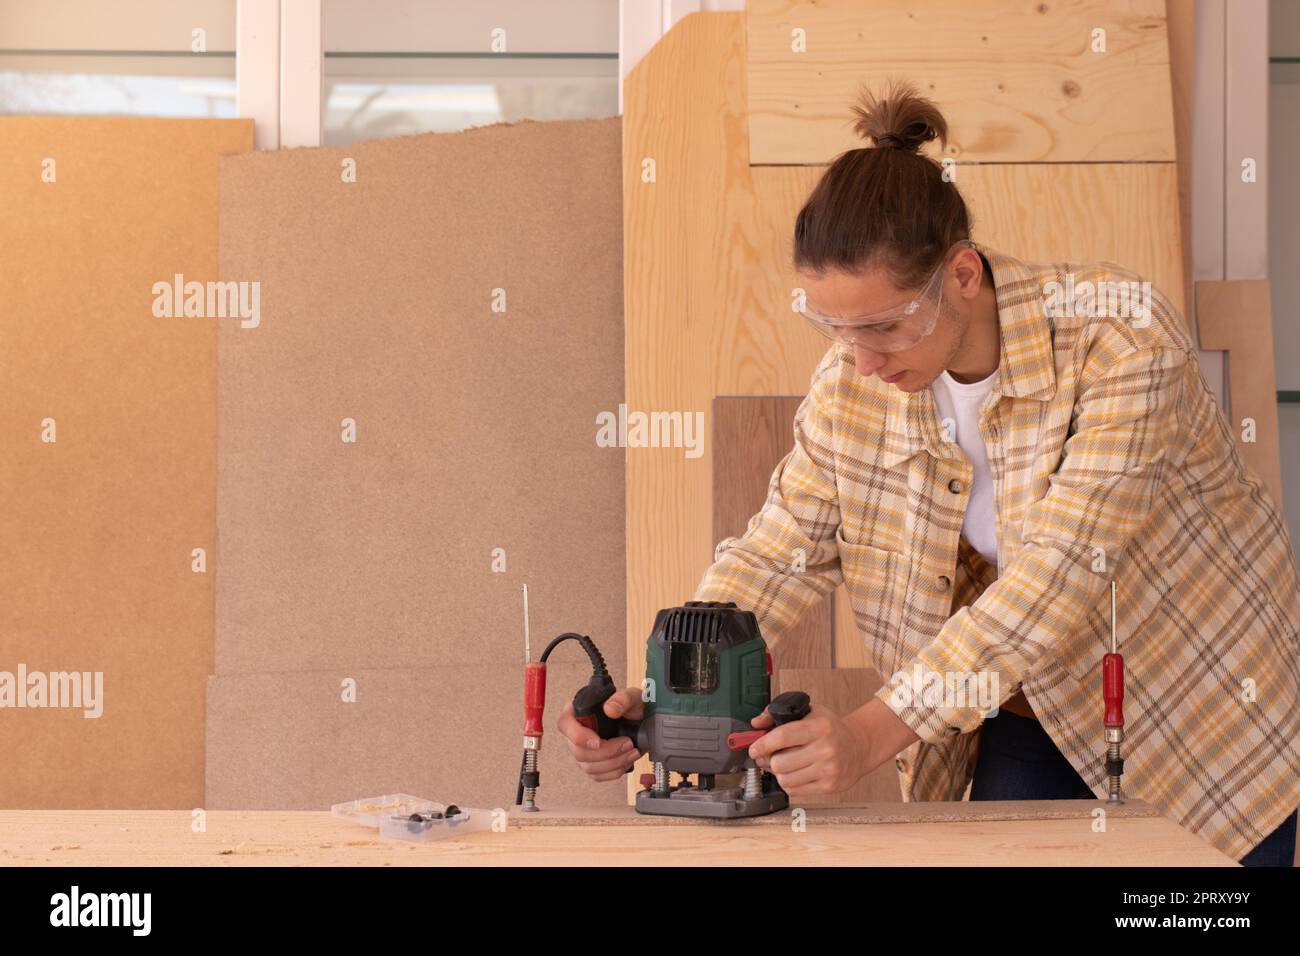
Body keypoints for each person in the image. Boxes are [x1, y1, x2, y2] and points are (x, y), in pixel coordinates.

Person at [559, 79, 1300, 867]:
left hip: (1200, 721)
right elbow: (778, 551)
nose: (863, 360)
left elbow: (1056, 580)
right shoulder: (853, 385)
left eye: (884, 325)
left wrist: (870, 734)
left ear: (964, 274)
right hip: (1019, 714)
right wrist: (675, 688)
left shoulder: (1119, 341)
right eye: (834, 327)